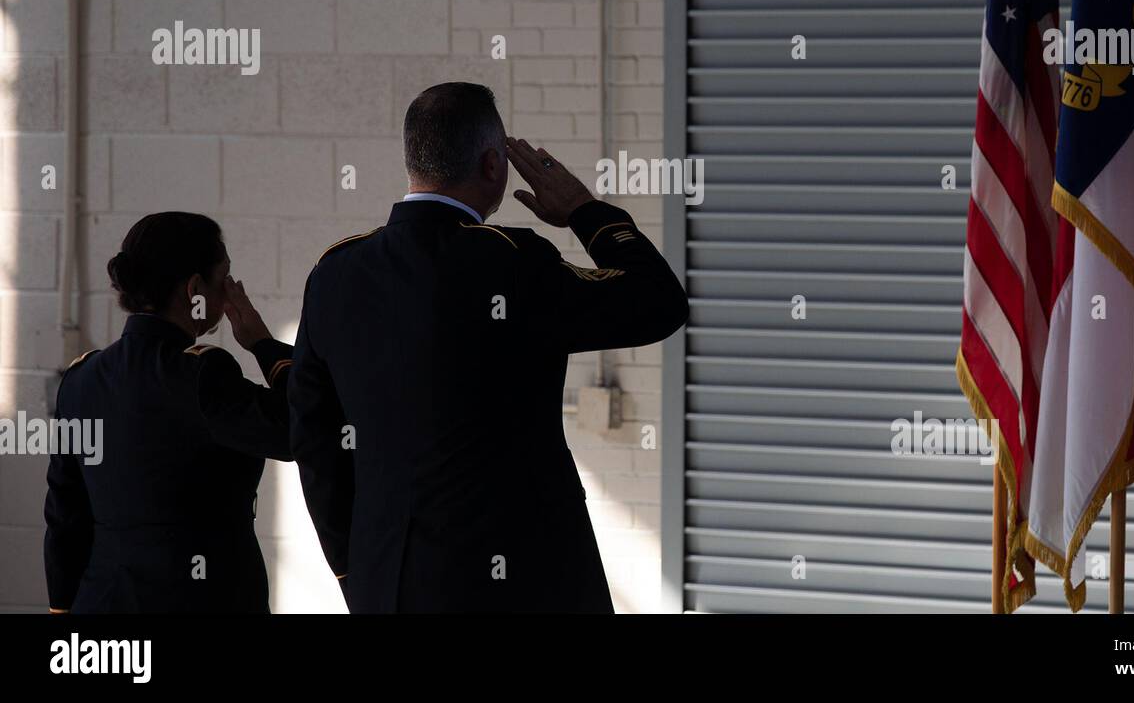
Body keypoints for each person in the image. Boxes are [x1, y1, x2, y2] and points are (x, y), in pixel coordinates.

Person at [290, 82, 688, 612]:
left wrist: (355, 568)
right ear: (493, 165)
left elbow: (314, 441)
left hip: (390, 583)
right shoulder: (511, 262)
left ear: (413, 161)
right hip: (521, 581)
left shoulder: (334, 273)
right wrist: (584, 211)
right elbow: (657, 301)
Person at [44, 211, 294, 613]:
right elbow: (296, 429)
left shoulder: (81, 378)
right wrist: (264, 345)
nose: (230, 291)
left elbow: (65, 518)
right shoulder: (201, 373)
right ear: (195, 289)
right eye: (224, 278)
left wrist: (62, 611)